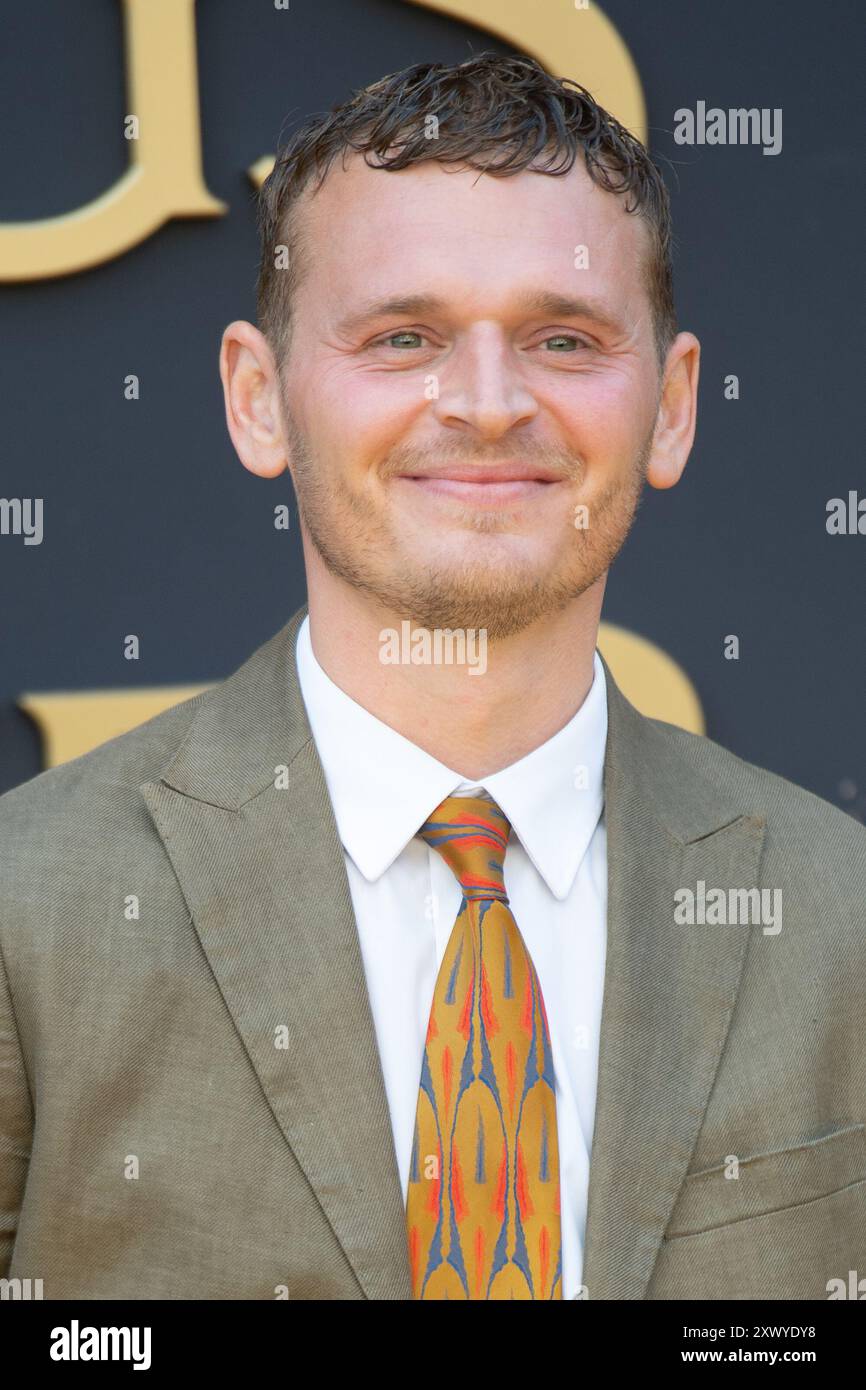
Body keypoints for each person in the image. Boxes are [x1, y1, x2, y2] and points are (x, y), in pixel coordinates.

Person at [1, 54, 863, 1301]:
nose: (485, 402)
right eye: (403, 336)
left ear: (670, 406)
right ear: (259, 397)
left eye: (562, 339)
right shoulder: (26, 917)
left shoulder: (839, 919)